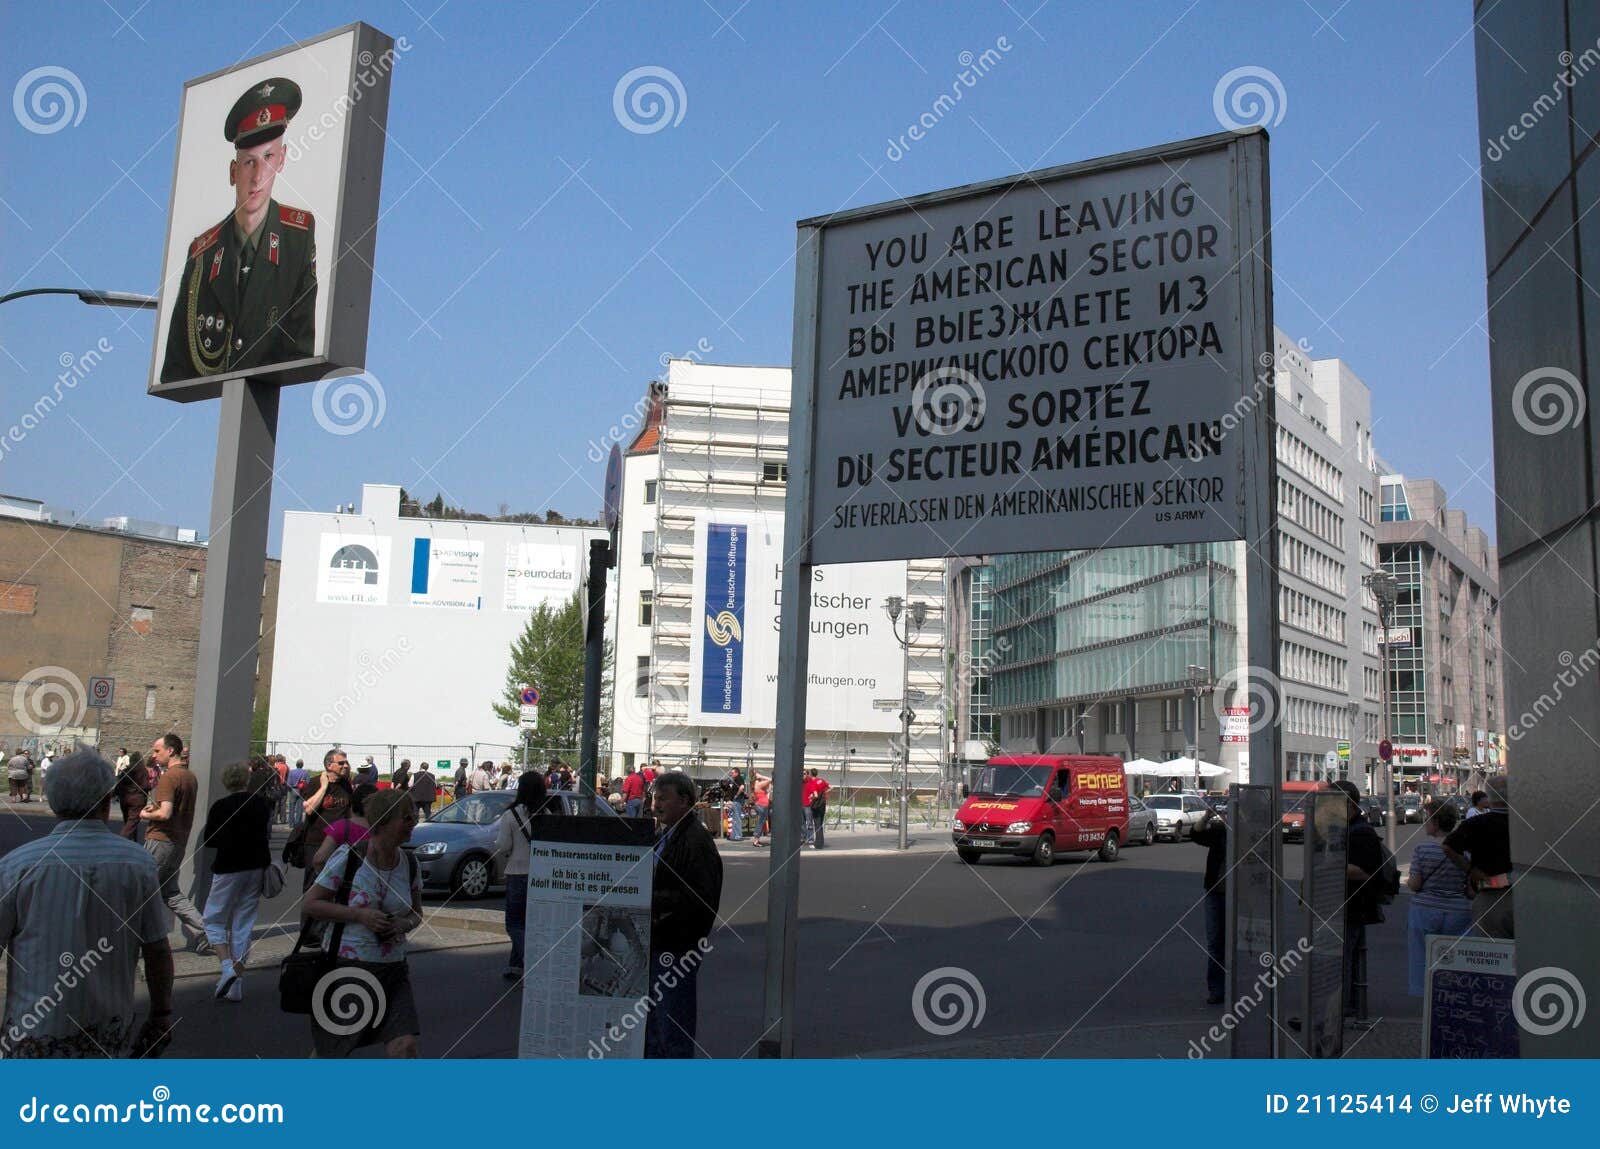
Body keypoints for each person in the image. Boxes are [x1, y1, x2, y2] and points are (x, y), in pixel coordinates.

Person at [0, 751, 175, 1058]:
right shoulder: (138, 864)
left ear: (54, 803)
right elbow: (156, 949)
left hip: (33, 1036)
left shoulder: (18, 866)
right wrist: (161, 1014)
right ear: (108, 801)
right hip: (108, 1033)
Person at [159, 77, 316, 385]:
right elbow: (176, 368)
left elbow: (300, 348)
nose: (257, 177)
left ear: (281, 160)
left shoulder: (297, 236)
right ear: (233, 172)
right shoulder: (202, 253)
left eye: (268, 158)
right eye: (248, 163)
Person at [303, 789, 424, 1058]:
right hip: (349, 969)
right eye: (406, 817)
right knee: (330, 1053)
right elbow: (311, 904)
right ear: (383, 821)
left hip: (394, 971)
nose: (413, 822)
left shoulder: (410, 863)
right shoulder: (350, 858)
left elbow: (416, 913)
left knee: (405, 1046)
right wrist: (359, 915)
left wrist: (403, 925)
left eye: (413, 816)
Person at [645, 773, 723, 1058]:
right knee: (655, 1025)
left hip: (676, 947)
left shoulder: (695, 840)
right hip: (659, 942)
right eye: (655, 797)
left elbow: (700, 900)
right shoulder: (666, 834)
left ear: (685, 800)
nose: (657, 803)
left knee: (671, 1027)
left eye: (663, 797)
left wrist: (653, 906)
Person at [199, 761, 273, 1002]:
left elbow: (210, 839)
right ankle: (237, 984)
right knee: (243, 924)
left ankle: (226, 966)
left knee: (213, 919)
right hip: (256, 866)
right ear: (246, 780)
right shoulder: (260, 803)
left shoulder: (221, 806)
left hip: (229, 866)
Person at [139, 733, 208, 952]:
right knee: (170, 892)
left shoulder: (169, 777)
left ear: (171, 751)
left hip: (160, 840)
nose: (154, 754)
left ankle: (142, 943)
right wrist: (156, 809)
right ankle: (205, 930)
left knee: (142, 891)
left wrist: (145, 814)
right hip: (178, 841)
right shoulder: (189, 776)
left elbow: (166, 813)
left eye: (157, 750)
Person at [493, 771, 558, 979]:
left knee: (514, 923)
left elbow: (503, 846)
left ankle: (531, 962)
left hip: (517, 873)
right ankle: (515, 966)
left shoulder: (510, 815)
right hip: (540, 876)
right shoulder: (546, 813)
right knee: (530, 923)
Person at [1405, 803, 1473, 996]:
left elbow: (1415, 884)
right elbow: (1470, 890)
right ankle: (1452, 995)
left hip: (1425, 910)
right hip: (1459, 911)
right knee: (1454, 958)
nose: (1425, 823)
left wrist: (1410, 882)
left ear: (1435, 822)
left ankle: (1424, 993)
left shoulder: (1422, 849)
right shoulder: (1465, 851)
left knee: (1420, 956)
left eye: (1427, 819)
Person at [1330, 780, 1384, 1018]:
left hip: (1353, 905)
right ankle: (1344, 1005)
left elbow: (1365, 870)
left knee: (1343, 956)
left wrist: (1327, 868)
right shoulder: (1346, 828)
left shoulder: (1361, 832)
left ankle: (1342, 1008)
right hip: (1345, 904)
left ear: (1348, 804)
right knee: (1344, 956)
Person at [1441, 772, 1513, 939]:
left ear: (1490, 797)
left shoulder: (1476, 823)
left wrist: (1470, 870)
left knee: (1492, 955)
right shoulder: (1524, 822)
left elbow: (1448, 847)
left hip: (1489, 895)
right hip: (1526, 894)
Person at [299, 748, 355, 890]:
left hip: (340, 844)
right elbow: (308, 809)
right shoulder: (315, 782)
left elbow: (350, 812)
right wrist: (324, 787)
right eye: (341, 763)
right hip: (316, 842)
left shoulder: (346, 785)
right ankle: (309, 912)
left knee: (337, 886)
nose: (346, 766)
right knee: (313, 884)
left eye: (346, 762)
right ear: (329, 765)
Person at [1190, 807, 1228, 1004]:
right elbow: (1195, 834)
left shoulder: (1249, 833)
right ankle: (1217, 990)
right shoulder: (1220, 831)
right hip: (1215, 893)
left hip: (1239, 896)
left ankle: (1237, 988)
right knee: (1215, 943)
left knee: (1233, 944)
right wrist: (1206, 816)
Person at [309, 782, 379, 878]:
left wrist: (327, 881)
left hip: (345, 886)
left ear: (352, 804)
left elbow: (320, 859)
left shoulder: (341, 827)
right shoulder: (383, 829)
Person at [114, 750, 152, 841]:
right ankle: (122, 841)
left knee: (128, 822)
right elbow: (146, 786)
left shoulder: (127, 770)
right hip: (137, 800)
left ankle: (132, 841)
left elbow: (119, 784)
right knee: (131, 823)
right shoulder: (143, 771)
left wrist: (116, 793)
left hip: (125, 799)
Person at [805, 767, 831, 849]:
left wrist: (810, 797)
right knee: (820, 824)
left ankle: (818, 844)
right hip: (823, 804)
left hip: (816, 805)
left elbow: (815, 795)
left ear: (810, 774)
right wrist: (823, 793)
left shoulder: (813, 783)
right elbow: (830, 787)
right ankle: (821, 842)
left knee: (817, 824)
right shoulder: (821, 781)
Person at [284, 757, 309, 828]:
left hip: (293, 790)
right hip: (301, 791)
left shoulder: (291, 772)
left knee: (292, 807)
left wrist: (290, 790)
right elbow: (308, 782)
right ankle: (298, 823)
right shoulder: (305, 772)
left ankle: (291, 823)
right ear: (302, 765)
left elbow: (288, 783)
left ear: (296, 765)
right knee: (300, 808)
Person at [751, 773, 772, 848]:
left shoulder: (756, 784)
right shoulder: (758, 784)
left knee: (761, 822)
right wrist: (762, 775)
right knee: (760, 823)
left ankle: (756, 839)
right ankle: (756, 840)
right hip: (762, 805)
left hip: (761, 805)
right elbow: (770, 779)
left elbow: (768, 790)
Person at [726, 768, 746, 842]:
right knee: (735, 818)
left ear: (737, 773)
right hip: (736, 800)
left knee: (737, 818)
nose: (732, 774)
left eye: (733, 772)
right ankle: (734, 835)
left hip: (737, 800)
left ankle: (737, 835)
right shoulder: (735, 780)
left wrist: (736, 795)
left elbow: (742, 787)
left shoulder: (739, 778)